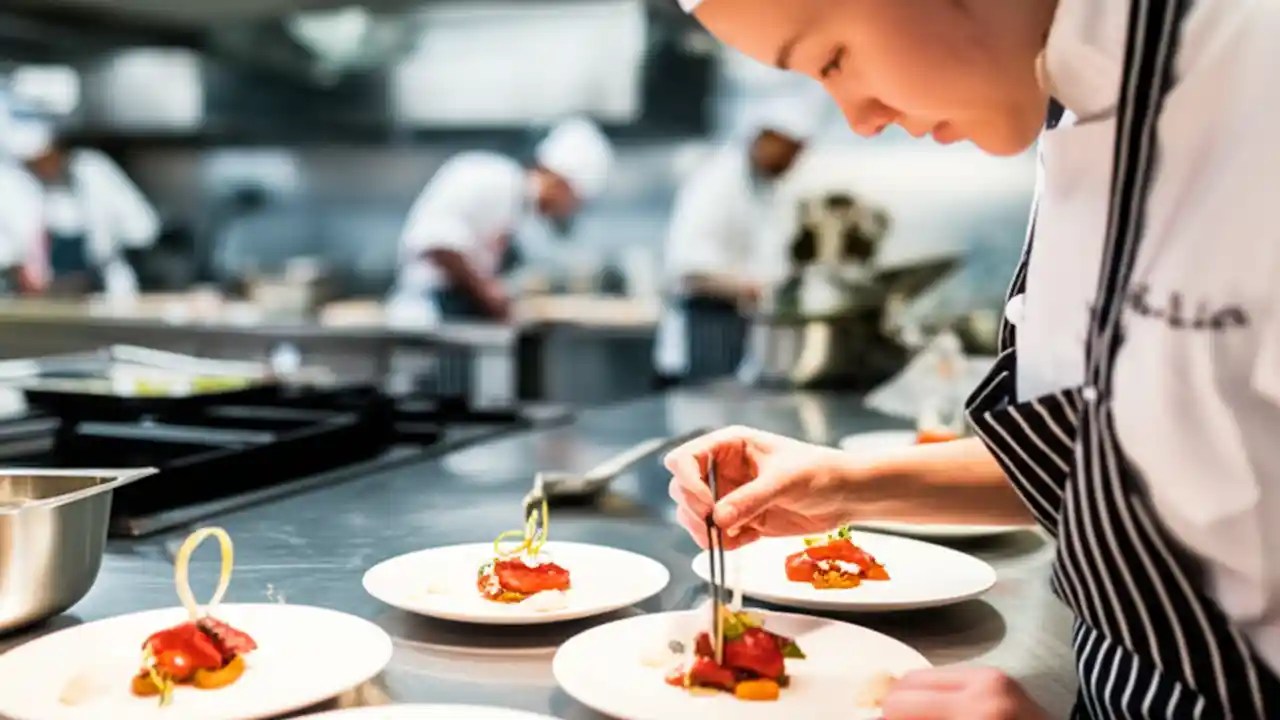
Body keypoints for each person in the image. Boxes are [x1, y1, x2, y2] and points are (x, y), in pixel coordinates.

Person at [667, 0, 1280, 718]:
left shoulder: (1251, 73)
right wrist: (839, 483)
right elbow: (1119, 457)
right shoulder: (1068, 103)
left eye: (832, 58)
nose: (858, 119)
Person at [653, 98, 820, 385]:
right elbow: (689, 272)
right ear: (765, 138)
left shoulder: (763, 187)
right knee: (705, 423)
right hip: (703, 334)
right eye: (790, 150)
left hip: (736, 335)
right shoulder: (716, 184)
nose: (793, 161)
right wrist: (752, 288)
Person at [389, 117, 614, 324]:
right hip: (426, 313)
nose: (568, 210)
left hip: (452, 314)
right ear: (560, 182)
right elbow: (436, 242)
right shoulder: (493, 180)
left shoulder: (518, 208)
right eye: (573, 200)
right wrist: (486, 292)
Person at [0, 112, 160, 299]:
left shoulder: (92, 171)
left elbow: (143, 229)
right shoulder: (13, 185)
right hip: (43, 301)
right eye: (31, 162)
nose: (39, 166)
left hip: (105, 295)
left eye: (44, 157)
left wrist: (104, 254)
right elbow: (10, 253)